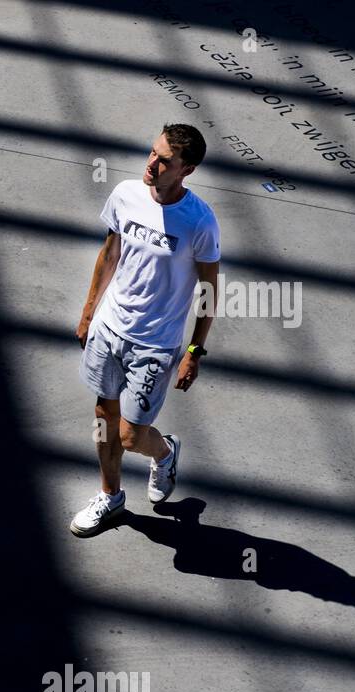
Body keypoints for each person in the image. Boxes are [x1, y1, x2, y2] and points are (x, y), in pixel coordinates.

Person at [70, 123, 221, 537]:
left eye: (164, 161)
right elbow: (109, 253)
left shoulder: (199, 222)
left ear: (185, 170)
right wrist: (88, 313)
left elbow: (209, 289)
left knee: (132, 436)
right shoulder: (126, 194)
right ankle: (110, 496)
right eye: (153, 153)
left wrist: (195, 351)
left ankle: (166, 452)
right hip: (110, 327)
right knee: (105, 415)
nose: (152, 164)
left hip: (155, 344)